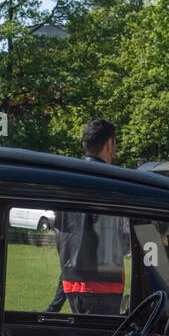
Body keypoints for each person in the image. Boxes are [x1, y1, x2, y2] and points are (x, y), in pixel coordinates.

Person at [51, 118, 130, 315]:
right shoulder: (112, 183)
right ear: (109, 144)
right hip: (103, 284)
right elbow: (120, 239)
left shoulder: (68, 181)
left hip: (71, 282)